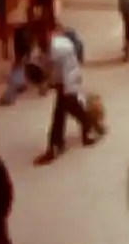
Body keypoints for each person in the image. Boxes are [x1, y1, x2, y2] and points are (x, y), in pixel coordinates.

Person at [34, 17, 104, 165]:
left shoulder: (62, 48)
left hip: (70, 77)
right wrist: (44, 82)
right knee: (62, 110)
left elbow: (68, 71)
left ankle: (59, 142)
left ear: (48, 33)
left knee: (65, 105)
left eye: (42, 35)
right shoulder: (41, 49)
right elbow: (44, 67)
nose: (40, 40)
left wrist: (53, 84)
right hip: (60, 79)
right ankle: (87, 127)